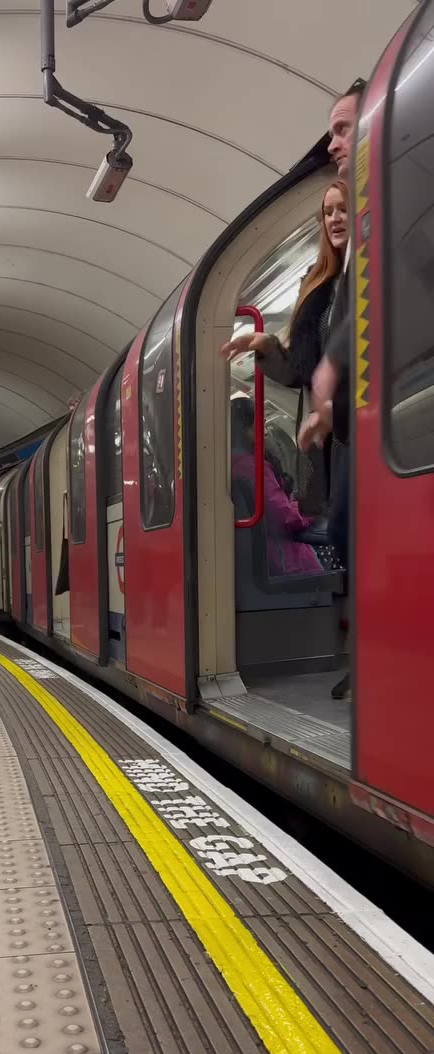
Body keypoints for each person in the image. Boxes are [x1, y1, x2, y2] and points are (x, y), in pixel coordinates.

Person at [222, 180, 349, 513]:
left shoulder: (372, 278)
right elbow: (299, 371)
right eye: (328, 212)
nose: (335, 219)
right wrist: (266, 345)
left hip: (358, 430)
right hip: (324, 442)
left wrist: (336, 408)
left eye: (344, 209)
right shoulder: (317, 285)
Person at [300, 82, 365, 700]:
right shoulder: (330, 273)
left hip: (369, 429)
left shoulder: (395, 209)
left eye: (343, 128)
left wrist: (332, 369)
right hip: (344, 434)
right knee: (346, 534)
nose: (332, 143)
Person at [230, 396, 322, 578]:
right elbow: (285, 518)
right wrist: (310, 508)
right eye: (259, 422)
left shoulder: (232, 465)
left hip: (265, 557)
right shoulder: (254, 468)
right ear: (245, 429)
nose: (264, 428)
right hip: (286, 561)